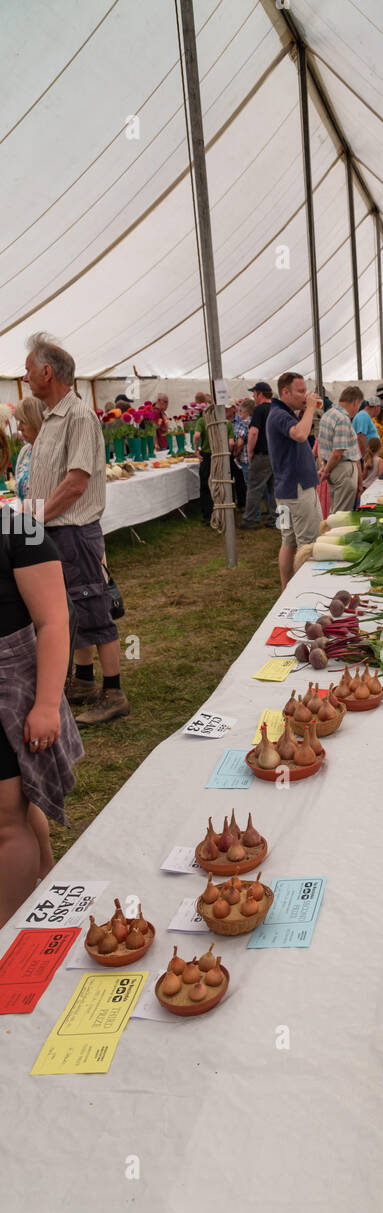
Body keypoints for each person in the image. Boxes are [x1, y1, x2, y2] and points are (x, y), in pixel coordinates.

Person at [24, 333, 129, 727]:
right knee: (71, 607)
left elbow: (76, 482)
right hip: (53, 529)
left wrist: (35, 518)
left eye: (30, 369)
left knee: (93, 605)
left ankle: (114, 692)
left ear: (47, 372)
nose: (26, 376)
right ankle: (84, 681)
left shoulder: (78, 416)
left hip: (73, 530)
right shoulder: (51, 416)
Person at [0, 515, 85, 925]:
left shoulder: (21, 531)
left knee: (4, 817)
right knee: (16, 800)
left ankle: (8, 930)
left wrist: (47, 705)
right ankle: (46, 878)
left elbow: (54, 621)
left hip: (11, 689)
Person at [267, 373, 322, 588]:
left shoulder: (281, 413)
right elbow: (300, 434)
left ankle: (287, 588)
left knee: (288, 541)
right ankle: (304, 590)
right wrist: (309, 408)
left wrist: (304, 410)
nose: (305, 395)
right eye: (300, 391)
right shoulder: (280, 414)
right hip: (298, 491)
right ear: (285, 392)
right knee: (307, 544)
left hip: (285, 491)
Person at [318, 387, 364, 514]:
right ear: (356, 402)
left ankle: (328, 532)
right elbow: (338, 452)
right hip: (343, 470)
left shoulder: (327, 415)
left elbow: (321, 446)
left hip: (332, 468)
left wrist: (325, 467)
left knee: (334, 510)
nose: (357, 409)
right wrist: (326, 471)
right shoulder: (343, 419)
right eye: (359, 405)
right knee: (342, 514)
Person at [241, 382, 277, 530]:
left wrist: (250, 451)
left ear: (260, 394)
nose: (253, 397)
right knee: (274, 489)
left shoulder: (259, 410)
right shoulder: (277, 408)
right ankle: (275, 519)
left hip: (262, 455)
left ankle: (249, 520)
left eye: (254, 394)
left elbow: (253, 432)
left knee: (254, 487)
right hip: (276, 455)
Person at [13, 397, 45, 501]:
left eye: (23, 422)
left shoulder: (52, 451)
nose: (19, 428)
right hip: (25, 515)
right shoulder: (25, 451)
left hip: (44, 516)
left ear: (37, 422)